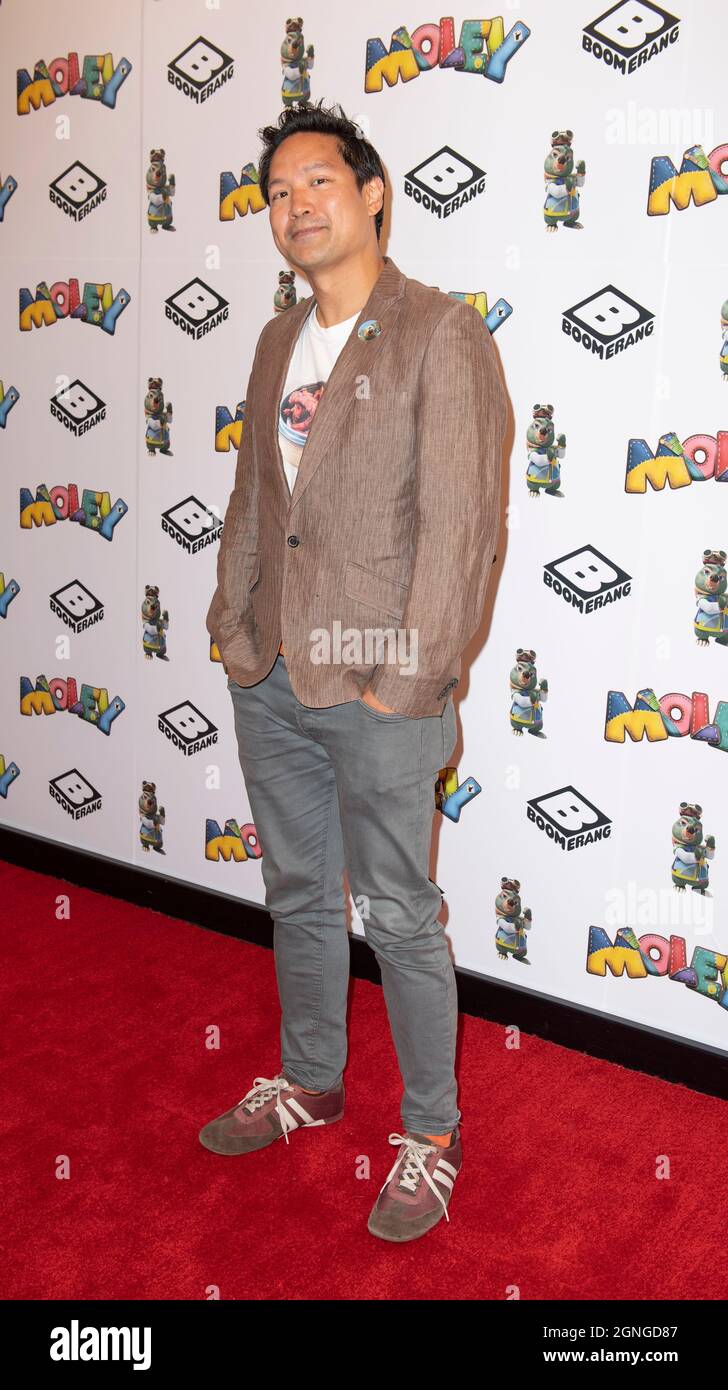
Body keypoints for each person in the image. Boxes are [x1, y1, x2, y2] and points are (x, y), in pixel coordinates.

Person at [199, 100, 507, 1243]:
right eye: (277, 193)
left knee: (402, 916)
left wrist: (407, 684)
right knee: (294, 894)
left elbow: (463, 525)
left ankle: (431, 1133)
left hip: (381, 689)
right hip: (272, 673)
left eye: (317, 182)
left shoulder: (439, 331)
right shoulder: (279, 340)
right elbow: (253, 505)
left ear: (372, 193)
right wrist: (234, 631)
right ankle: (312, 1081)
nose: (295, 207)